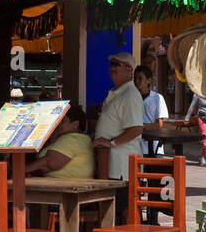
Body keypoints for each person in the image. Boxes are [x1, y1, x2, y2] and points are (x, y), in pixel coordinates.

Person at [92, 51, 145, 186]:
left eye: (117, 64)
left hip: (121, 167)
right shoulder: (118, 93)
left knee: (120, 205)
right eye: (111, 64)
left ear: (129, 69)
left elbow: (136, 128)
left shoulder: (130, 94)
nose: (112, 68)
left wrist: (111, 143)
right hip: (111, 165)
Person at [26, 106, 92, 178]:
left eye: (63, 120)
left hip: (68, 186)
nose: (58, 123)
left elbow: (49, 163)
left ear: (75, 124)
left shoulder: (72, 139)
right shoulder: (78, 139)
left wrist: (19, 172)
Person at [134, 65, 169, 156]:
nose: (137, 81)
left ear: (148, 80)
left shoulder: (157, 98)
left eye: (140, 78)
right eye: (135, 79)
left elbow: (159, 125)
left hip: (154, 148)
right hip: (135, 147)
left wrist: (140, 126)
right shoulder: (131, 99)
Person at [186, 91, 206, 166]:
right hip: (203, 117)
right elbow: (192, 105)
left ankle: (202, 157)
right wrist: (187, 118)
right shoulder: (197, 93)